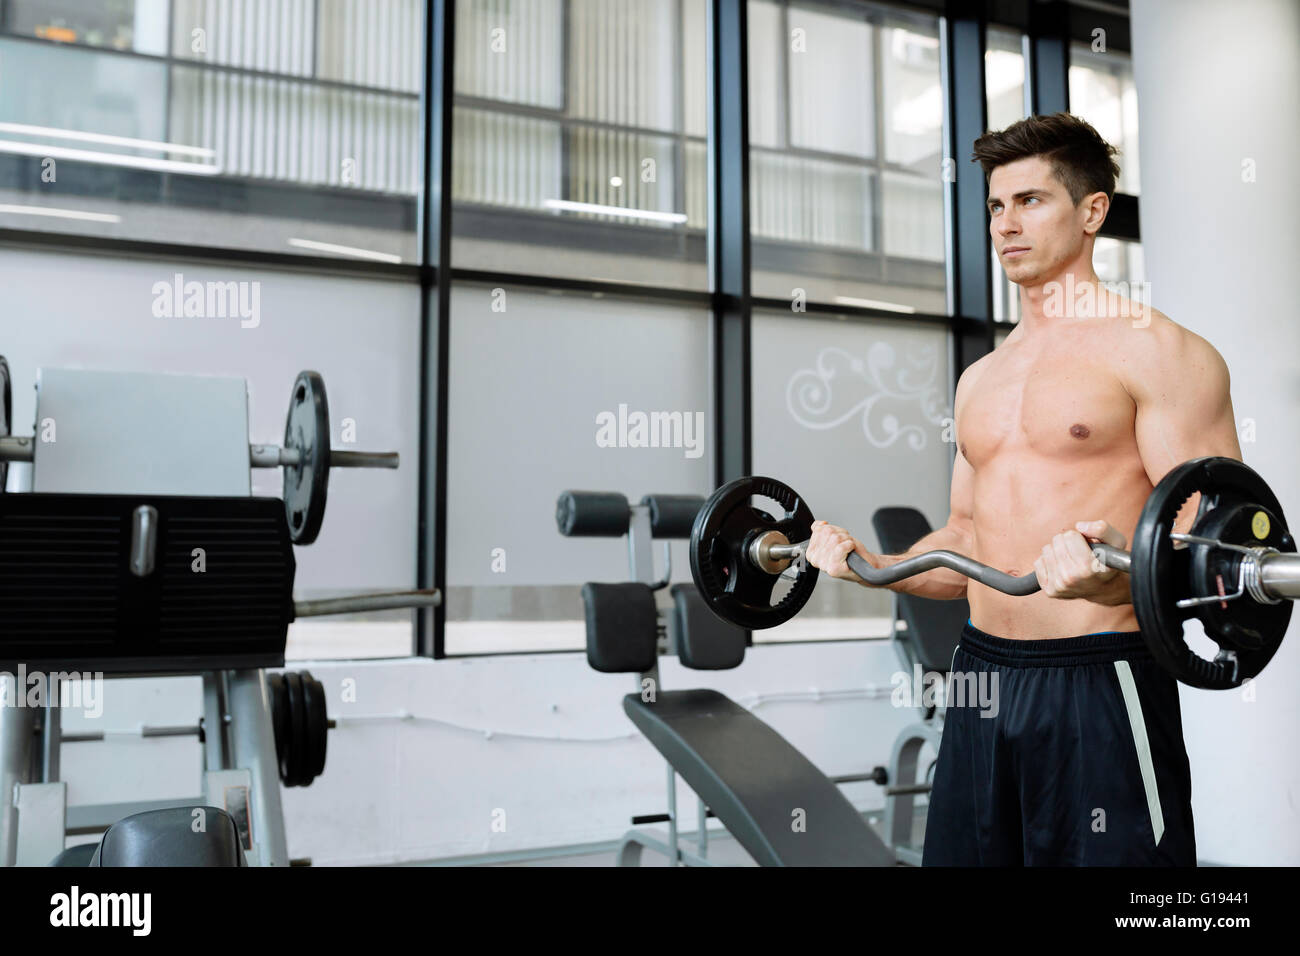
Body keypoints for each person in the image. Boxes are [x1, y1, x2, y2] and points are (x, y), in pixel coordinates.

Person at [805, 113, 1242, 866]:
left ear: (1092, 210)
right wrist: (870, 564)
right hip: (981, 680)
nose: (1006, 224)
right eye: (996, 206)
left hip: (1100, 682)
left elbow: (1215, 552)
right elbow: (966, 539)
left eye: (1031, 201)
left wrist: (1110, 582)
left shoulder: (1161, 354)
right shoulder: (984, 378)